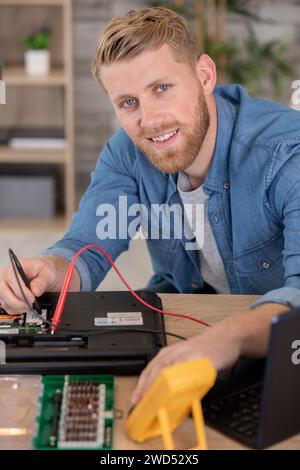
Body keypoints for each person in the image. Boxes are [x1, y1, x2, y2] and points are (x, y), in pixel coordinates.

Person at [0, 7, 299, 407]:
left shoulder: (285, 156)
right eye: (128, 102)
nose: (150, 120)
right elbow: (87, 243)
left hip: (271, 344)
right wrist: (50, 270)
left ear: (204, 76)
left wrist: (224, 338)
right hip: (183, 317)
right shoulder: (126, 153)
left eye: (162, 88)